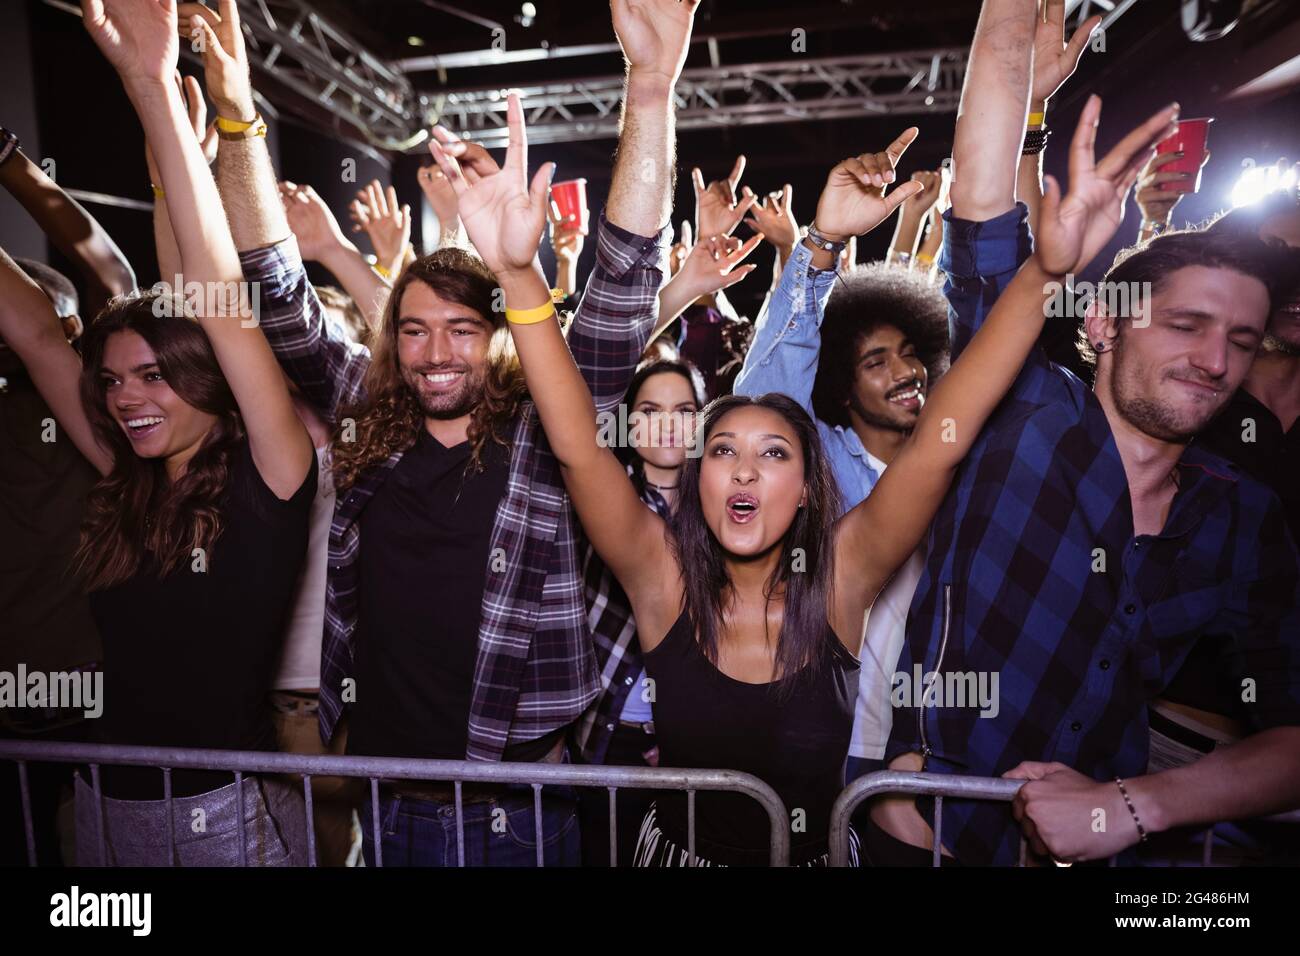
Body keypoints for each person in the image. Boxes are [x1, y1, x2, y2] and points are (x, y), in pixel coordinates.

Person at [427, 25, 1146, 860]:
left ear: (808, 487)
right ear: (697, 478)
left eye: (775, 455)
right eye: (723, 449)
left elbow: (939, 446)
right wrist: (518, 278)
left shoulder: (842, 578)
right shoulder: (660, 579)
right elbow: (582, 448)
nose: (743, 469)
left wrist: (1041, 277)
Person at [198, 0, 697, 866]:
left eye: (463, 330)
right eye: (416, 329)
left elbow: (619, 290)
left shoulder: (545, 429)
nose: (434, 353)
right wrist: (240, 118)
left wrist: (650, 89)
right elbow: (278, 294)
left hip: (522, 808)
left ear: (501, 335)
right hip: (390, 803)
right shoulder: (372, 412)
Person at [874, 0, 1300, 868]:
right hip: (938, 832)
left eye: (1242, 341)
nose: (1216, 360)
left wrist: (1128, 808)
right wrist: (1011, 52)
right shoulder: (1022, 412)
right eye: (1185, 325)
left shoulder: (1238, 517)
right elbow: (984, 208)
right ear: (1103, 323)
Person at [0, 0, 319, 866]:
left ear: (206, 382)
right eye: (110, 381)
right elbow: (33, 333)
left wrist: (147, 86)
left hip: (221, 815)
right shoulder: (125, 473)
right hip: (99, 805)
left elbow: (212, 292)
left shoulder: (270, 475)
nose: (126, 399)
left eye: (152, 377)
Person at [573, 358, 708, 866]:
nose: (668, 423)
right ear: (626, 422)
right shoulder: (601, 497)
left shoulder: (727, 512)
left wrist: (683, 735)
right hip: (603, 735)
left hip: (691, 749)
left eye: (684, 410)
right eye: (649, 410)